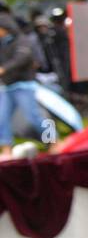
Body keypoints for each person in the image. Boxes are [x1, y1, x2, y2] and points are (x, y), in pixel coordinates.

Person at [0, 15, 45, 158]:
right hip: (7, 86)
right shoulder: (1, 44)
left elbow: (22, 58)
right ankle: (6, 149)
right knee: (2, 118)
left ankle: (53, 140)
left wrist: (4, 68)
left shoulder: (22, 40)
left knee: (33, 116)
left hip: (24, 85)